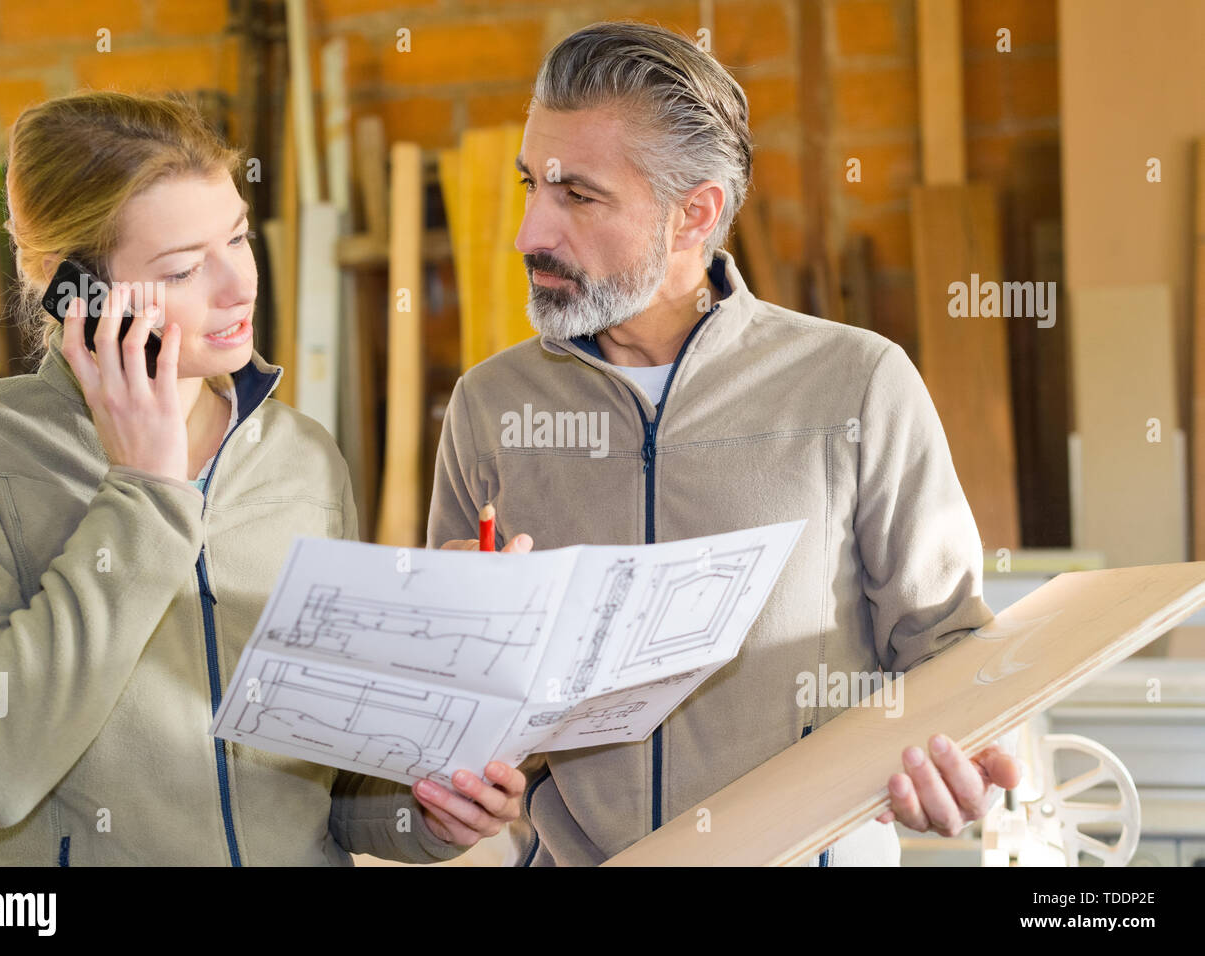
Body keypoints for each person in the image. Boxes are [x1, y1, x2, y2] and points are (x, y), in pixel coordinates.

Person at [428, 21, 1020, 866]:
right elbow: (462, 726)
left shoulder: (854, 384)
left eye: (577, 196)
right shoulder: (490, 406)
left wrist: (967, 761)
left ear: (693, 214)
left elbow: (951, 646)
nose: (529, 234)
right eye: (531, 186)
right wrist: (457, 647)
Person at [0, 90, 523, 865]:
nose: (238, 286)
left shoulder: (300, 456)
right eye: (185, 267)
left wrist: (431, 809)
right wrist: (147, 491)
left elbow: (325, 795)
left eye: (238, 238)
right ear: (76, 292)